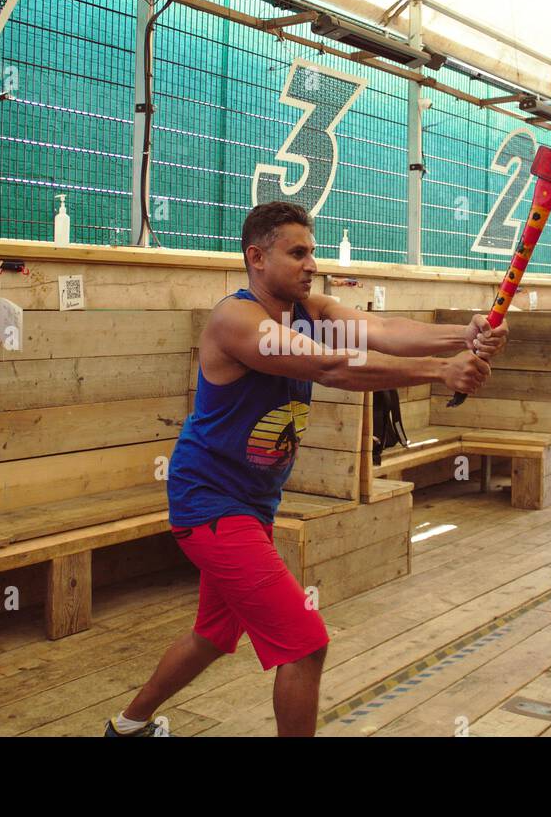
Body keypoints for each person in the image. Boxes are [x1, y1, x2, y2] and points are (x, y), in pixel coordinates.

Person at [106, 201, 508, 737]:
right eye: (297, 253)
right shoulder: (236, 319)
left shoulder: (311, 311)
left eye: (312, 252)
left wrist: (465, 334)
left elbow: (379, 330)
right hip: (210, 505)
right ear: (256, 256)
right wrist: (440, 370)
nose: (311, 264)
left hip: (251, 505)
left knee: (212, 636)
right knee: (306, 643)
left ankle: (127, 727)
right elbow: (330, 365)